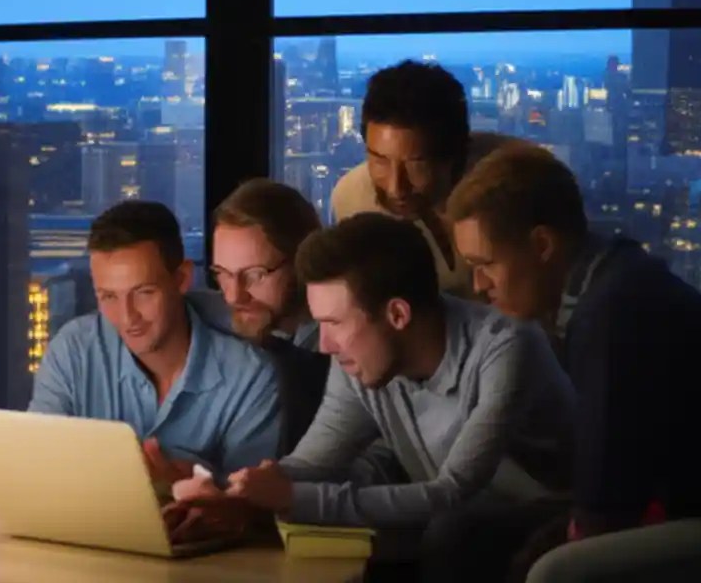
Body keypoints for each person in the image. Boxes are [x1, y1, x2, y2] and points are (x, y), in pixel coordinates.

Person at [446, 141, 701, 582]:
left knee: (553, 572)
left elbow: (605, 504)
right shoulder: (613, 279)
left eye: (485, 264)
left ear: (543, 244)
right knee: (474, 535)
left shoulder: (611, 311)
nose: (477, 285)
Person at [189, 212, 575, 581]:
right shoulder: (361, 359)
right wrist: (235, 492)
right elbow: (313, 462)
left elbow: (454, 492)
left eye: (335, 323)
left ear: (397, 315)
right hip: (452, 520)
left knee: (454, 529)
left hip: (554, 519)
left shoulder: (507, 349)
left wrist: (290, 497)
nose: (324, 345)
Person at [28, 200, 282, 525]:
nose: (127, 317)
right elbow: (33, 470)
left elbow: (252, 513)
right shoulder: (73, 350)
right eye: (108, 296)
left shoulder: (251, 376)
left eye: (144, 292)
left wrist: (184, 481)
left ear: (181, 279)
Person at [330, 60, 514, 297]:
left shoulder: (512, 188)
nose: (396, 188)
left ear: (455, 154)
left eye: (416, 165)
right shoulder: (352, 199)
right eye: (379, 160)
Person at [185, 178, 330, 455]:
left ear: (301, 261)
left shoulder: (343, 351)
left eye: (255, 275)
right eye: (223, 274)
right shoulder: (205, 313)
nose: (233, 296)